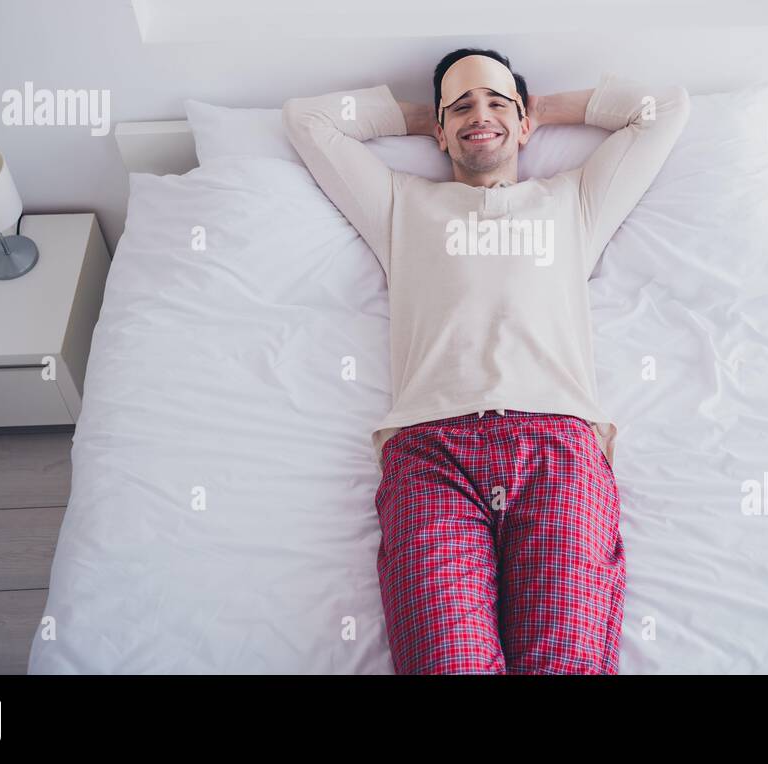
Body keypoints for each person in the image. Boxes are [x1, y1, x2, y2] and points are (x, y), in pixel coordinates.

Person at [283, 48, 691, 673]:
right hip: (430, 454)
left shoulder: (572, 203)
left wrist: (535, 108)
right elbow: (308, 119)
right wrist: (429, 116)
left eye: (498, 104)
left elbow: (663, 109)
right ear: (440, 130)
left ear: (525, 124)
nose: (482, 115)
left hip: (558, 447)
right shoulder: (400, 205)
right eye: (464, 106)